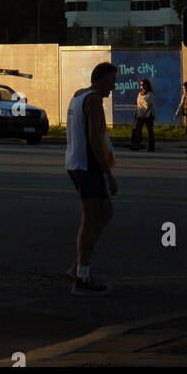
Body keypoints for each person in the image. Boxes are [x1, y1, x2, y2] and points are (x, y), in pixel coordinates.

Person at [65, 62, 118, 295]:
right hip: (87, 165)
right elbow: (95, 139)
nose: (114, 87)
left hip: (77, 163)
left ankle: (79, 263)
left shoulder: (79, 95)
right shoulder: (94, 101)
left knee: (106, 211)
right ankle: (82, 278)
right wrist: (108, 174)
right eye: (112, 81)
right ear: (102, 80)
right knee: (91, 217)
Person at [129, 77, 155, 152]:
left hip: (148, 115)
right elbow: (138, 104)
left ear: (146, 85)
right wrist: (136, 113)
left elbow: (150, 105)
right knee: (138, 130)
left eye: (143, 84)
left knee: (150, 131)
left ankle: (151, 147)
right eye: (140, 85)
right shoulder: (139, 94)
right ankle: (136, 145)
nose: (141, 86)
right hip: (140, 114)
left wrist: (146, 113)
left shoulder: (150, 94)